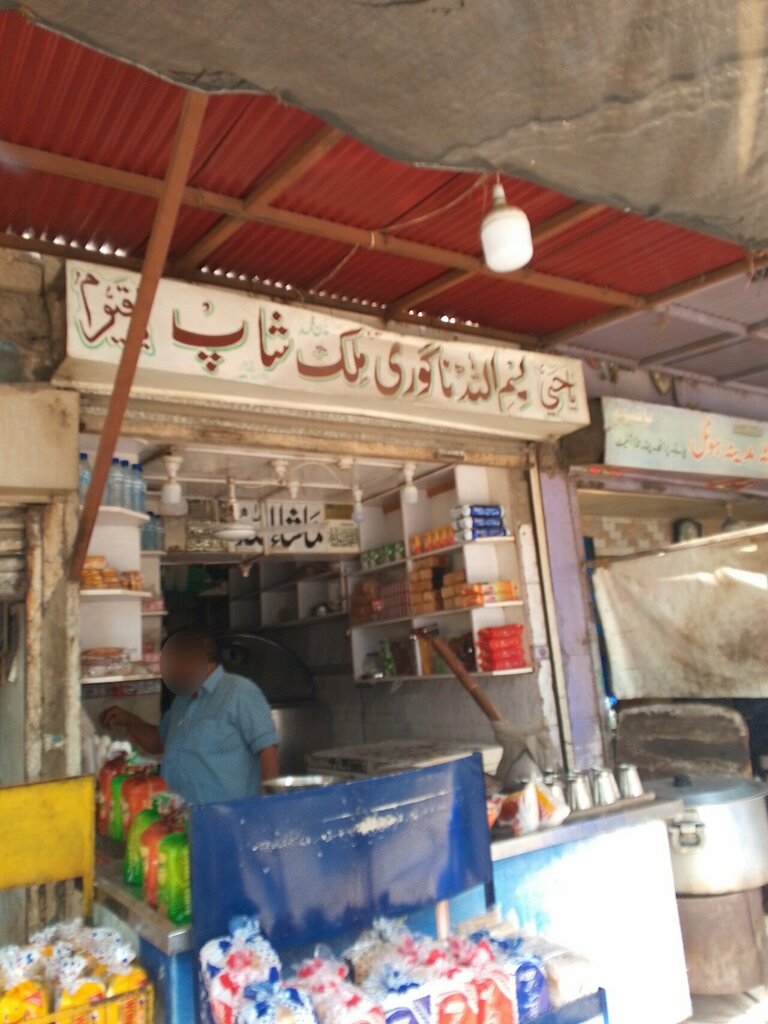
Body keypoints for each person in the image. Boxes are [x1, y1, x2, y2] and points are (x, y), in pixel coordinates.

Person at [101, 628, 279, 804]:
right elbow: (160, 742)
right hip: (181, 817)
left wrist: (269, 806)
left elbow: (267, 749)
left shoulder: (239, 691)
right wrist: (130, 721)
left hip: (228, 817)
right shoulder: (182, 699)